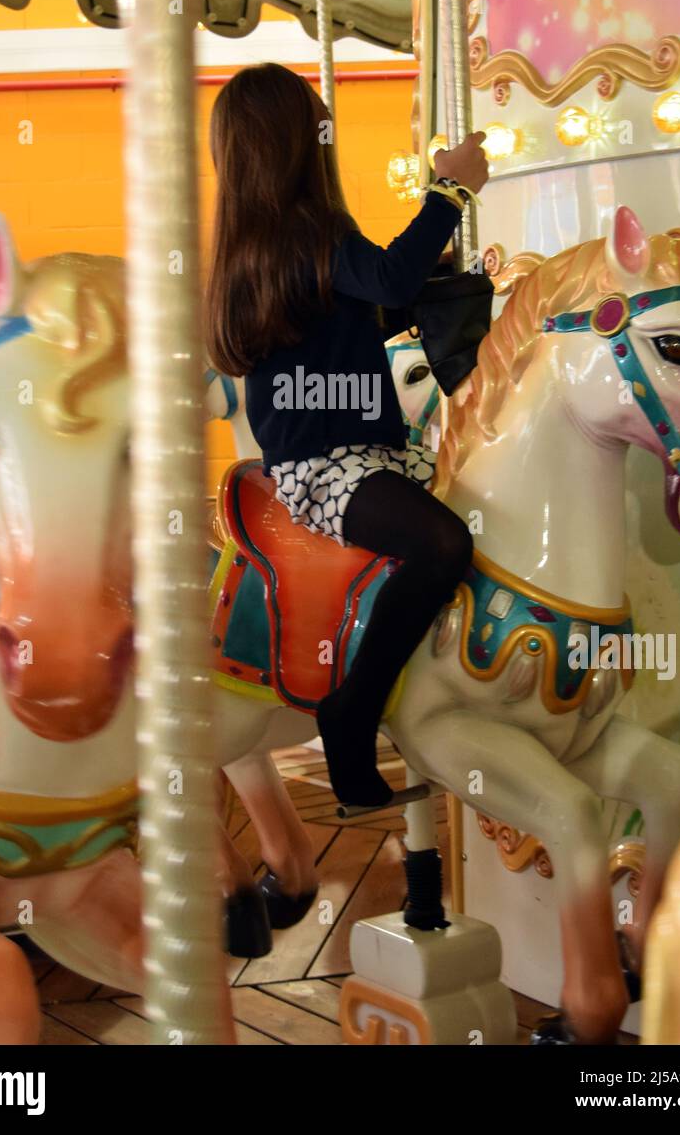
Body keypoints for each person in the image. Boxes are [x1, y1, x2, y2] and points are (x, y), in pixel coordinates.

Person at [205, 63, 489, 807]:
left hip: (341, 455)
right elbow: (390, 281)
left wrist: (435, 278)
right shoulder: (311, 231)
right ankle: (352, 712)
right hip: (331, 469)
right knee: (443, 544)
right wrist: (450, 191)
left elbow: (362, 317)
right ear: (296, 141)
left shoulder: (261, 245)